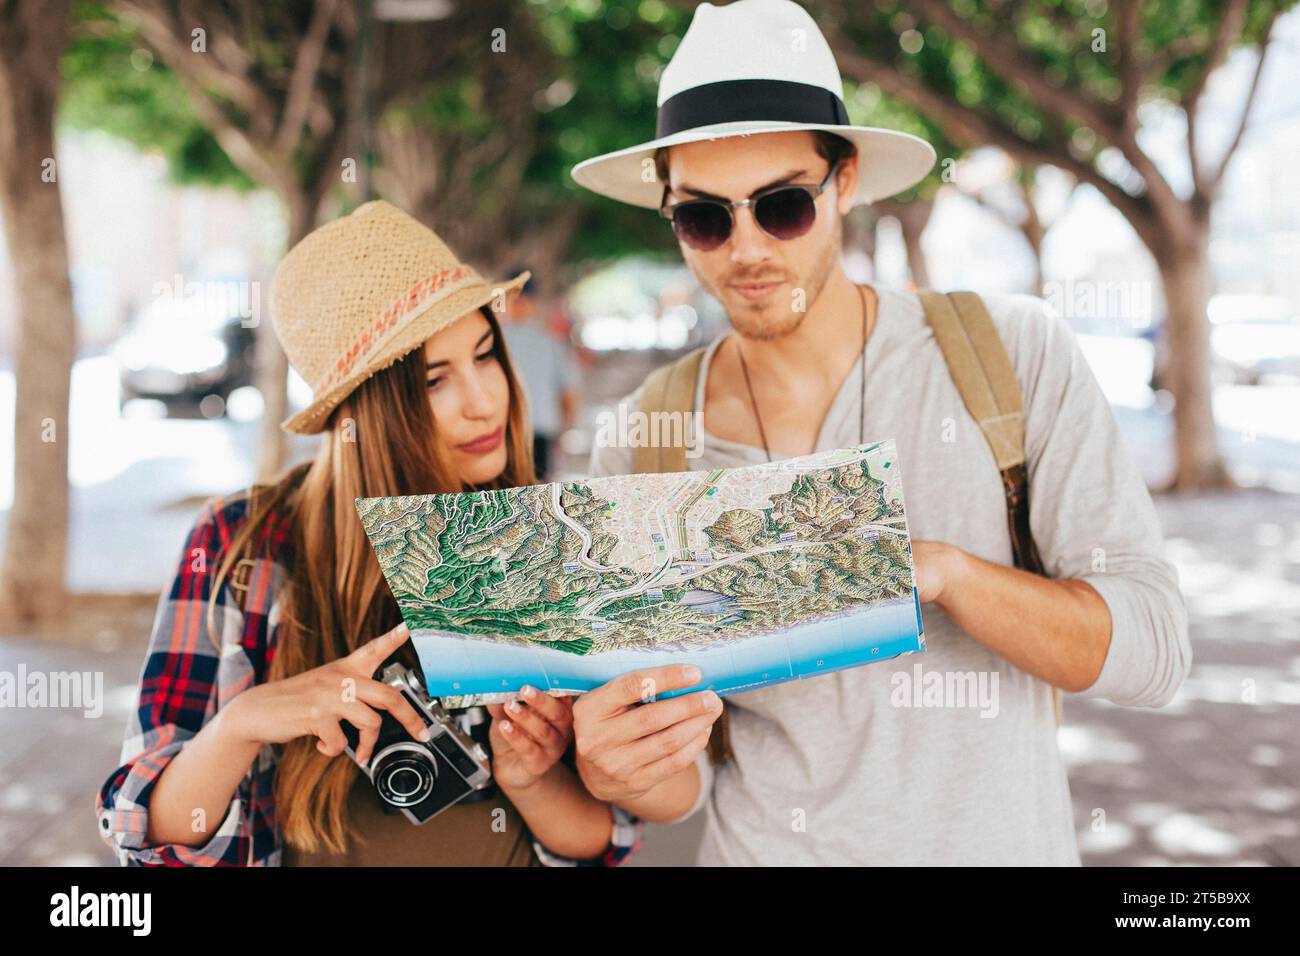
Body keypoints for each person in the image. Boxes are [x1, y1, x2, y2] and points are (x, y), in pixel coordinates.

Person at [565, 0, 1191, 865]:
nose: (744, 250)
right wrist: (617, 766)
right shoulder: (645, 439)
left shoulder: (1009, 354)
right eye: (703, 217)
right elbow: (687, 784)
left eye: (782, 206)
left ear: (845, 179)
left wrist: (947, 572)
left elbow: (1153, 651)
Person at [95, 201, 655, 866]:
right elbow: (141, 834)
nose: (485, 400)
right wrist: (241, 724)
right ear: (364, 409)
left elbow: (604, 841)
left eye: (485, 356)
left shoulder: (543, 537)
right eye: (434, 381)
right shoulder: (243, 542)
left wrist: (528, 781)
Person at [498, 270, 578, 480]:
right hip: (540, 431)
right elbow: (568, 394)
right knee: (538, 497)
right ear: (532, 301)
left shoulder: (492, 343)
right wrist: (564, 433)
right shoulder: (551, 342)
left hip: (503, 431)